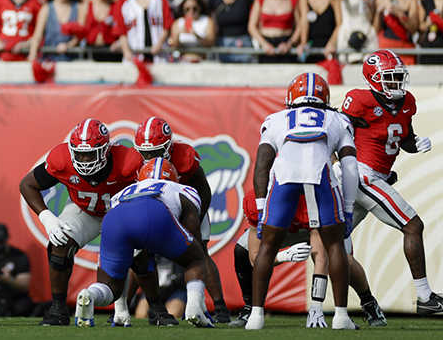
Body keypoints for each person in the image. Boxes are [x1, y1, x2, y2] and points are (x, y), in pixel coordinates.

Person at [247, 73, 359, 330]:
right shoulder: (338, 119)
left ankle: (255, 316)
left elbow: (262, 164)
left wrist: (263, 208)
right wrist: (349, 208)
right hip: (321, 173)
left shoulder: (275, 119)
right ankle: (341, 317)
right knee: (335, 246)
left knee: (267, 246)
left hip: (284, 175)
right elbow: (350, 165)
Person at [339, 50, 443, 315]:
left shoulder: (407, 101)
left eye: (398, 77)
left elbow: (403, 138)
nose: (396, 83)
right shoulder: (359, 100)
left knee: (336, 242)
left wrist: (416, 142)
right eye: (390, 77)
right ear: (373, 79)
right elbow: (338, 134)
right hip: (361, 175)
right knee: (412, 225)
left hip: (376, 177)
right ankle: (425, 298)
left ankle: (366, 306)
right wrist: (337, 165)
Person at [18, 119, 145, 326]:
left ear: (106, 150)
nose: (84, 159)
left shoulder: (128, 161)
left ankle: (155, 307)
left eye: (90, 154)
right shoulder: (62, 159)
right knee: (59, 244)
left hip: (120, 214)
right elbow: (27, 184)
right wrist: (47, 218)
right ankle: (58, 310)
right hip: (84, 210)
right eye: (79, 154)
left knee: (141, 255)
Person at [73, 158, 219, 328]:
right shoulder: (181, 189)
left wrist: (121, 311)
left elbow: (134, 254)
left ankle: (90, 294)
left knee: (111, 285)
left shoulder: (126, 190)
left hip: (113, 218)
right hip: (154, 212)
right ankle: (194, 309)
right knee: (196, 259)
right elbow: (192, 236)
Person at [133, 117, 230, 322]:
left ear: (169, 146)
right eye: (145, 152)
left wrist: (194, 218)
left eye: (156, 151)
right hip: (154, 209)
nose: (149, 156)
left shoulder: (185, 156)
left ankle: (221, 308)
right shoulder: (133, 162)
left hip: (187, 208)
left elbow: (203, 189)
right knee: (139, 254)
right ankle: (126, 307)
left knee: (199, 252)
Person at [0, 224, 33, 317]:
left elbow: (24, 286)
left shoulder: (19, 256)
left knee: (24, 306)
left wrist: (9, 280)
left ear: (7, 239)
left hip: (13, 297)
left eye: (1, 242)